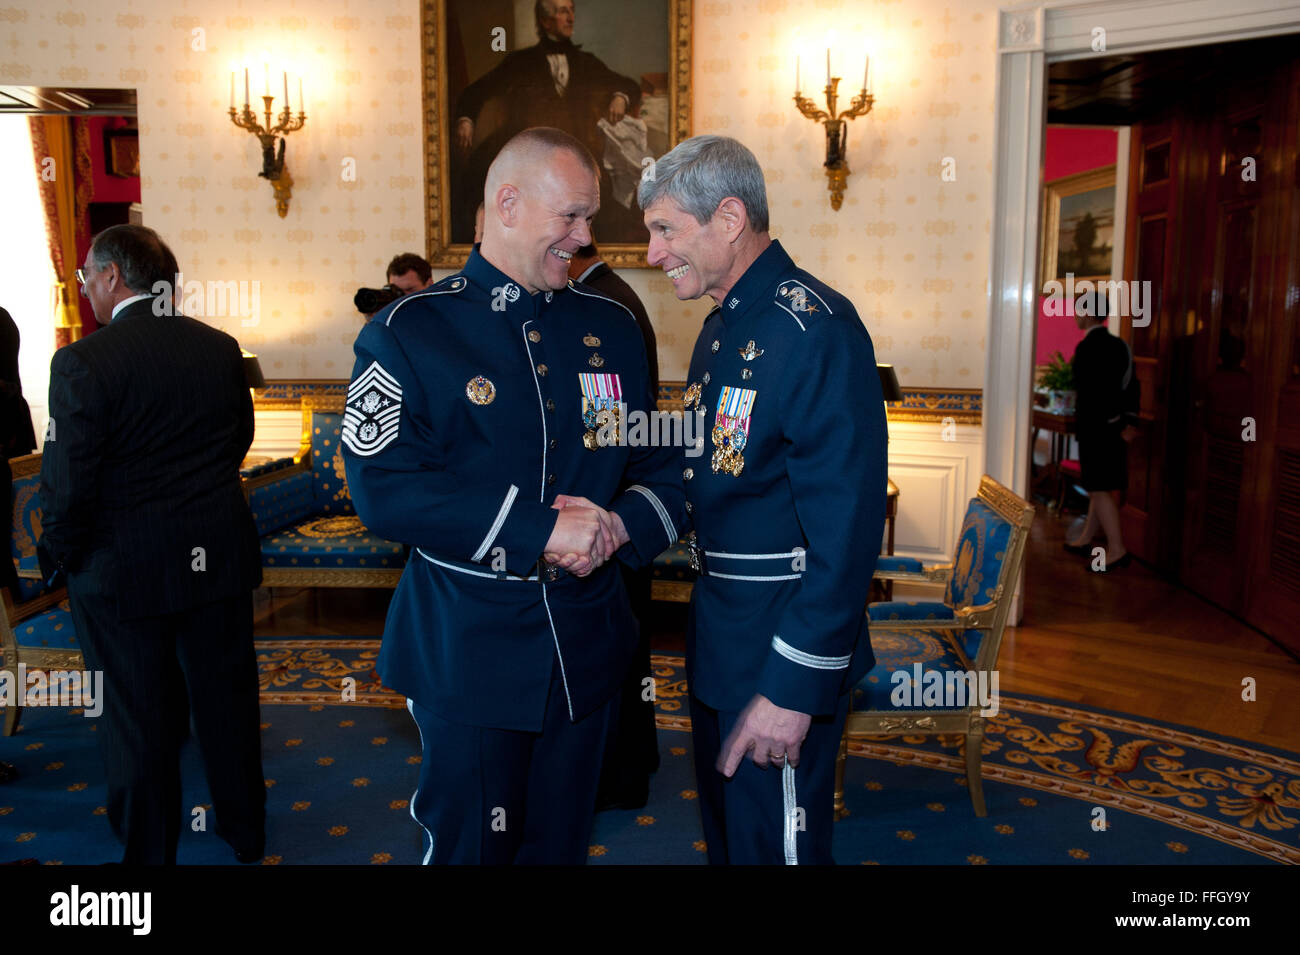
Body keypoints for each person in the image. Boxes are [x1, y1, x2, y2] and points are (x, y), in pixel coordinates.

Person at [341, 127, 684, 865]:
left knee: (558, 846)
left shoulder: (611, 330)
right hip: (470, 650)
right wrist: (539, 532)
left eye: (590, 218)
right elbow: (384, 487)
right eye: (571, 217)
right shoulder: (409, 332)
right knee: (473, 850)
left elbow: (661, 466)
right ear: (507, 203)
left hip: (588, 651)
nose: (585, 237)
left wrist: (617, 531)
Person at [638, 135, 887, 864]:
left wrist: (793, 686)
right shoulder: (721, 330)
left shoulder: (816, 330)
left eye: (664, 229)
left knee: (778, 849)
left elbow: (845, 538)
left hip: (783, 644)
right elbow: (705, 474)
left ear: (729, 217)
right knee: (734, 840)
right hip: (723, 635)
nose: (653, 253)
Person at [37, 225, 265, 864]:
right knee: (227, 706)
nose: (84, 289)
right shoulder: (222, 349)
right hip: (215, 559)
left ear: (113, 276)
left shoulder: (84, 360)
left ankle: (148, 858)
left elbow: (67, 477)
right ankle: (246, 834)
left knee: (135, 720)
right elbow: (234, 445)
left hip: (122, 571)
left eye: (86, 276)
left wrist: (62, 554)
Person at [568, 240, 660, 810]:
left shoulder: (604, 308)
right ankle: (632, 760)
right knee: (628, 648)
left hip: (610, 517)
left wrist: (605, 512)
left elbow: (613, 432)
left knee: (618, 654)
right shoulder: (613, 297)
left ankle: (620, 773)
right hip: (616, 510)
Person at [451, 0, 642, 243]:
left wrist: (620, 97)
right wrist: (466, 119)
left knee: (605, 204)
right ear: (545, 20)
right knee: (477, 181)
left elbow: (626, 84)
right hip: (528, 149)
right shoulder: (521, 62)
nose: (571, 17)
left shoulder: (586, 62)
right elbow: (478, 89)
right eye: (563, 11)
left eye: (572, 10)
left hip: (575, 148)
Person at [1064, 295, 1138, 570]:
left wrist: (1108, 424)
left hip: (1097, 430)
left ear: (1088, 314)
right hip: (1116, 429)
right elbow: (1131, 386)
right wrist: (1129, 423)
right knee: (1100, 487)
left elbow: (1089, 394)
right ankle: (1085, 539)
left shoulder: (1086, 349)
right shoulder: (1121, 346)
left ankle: (1117, 550)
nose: (1075, 315)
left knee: (1098, 487)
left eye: (1078, 310)